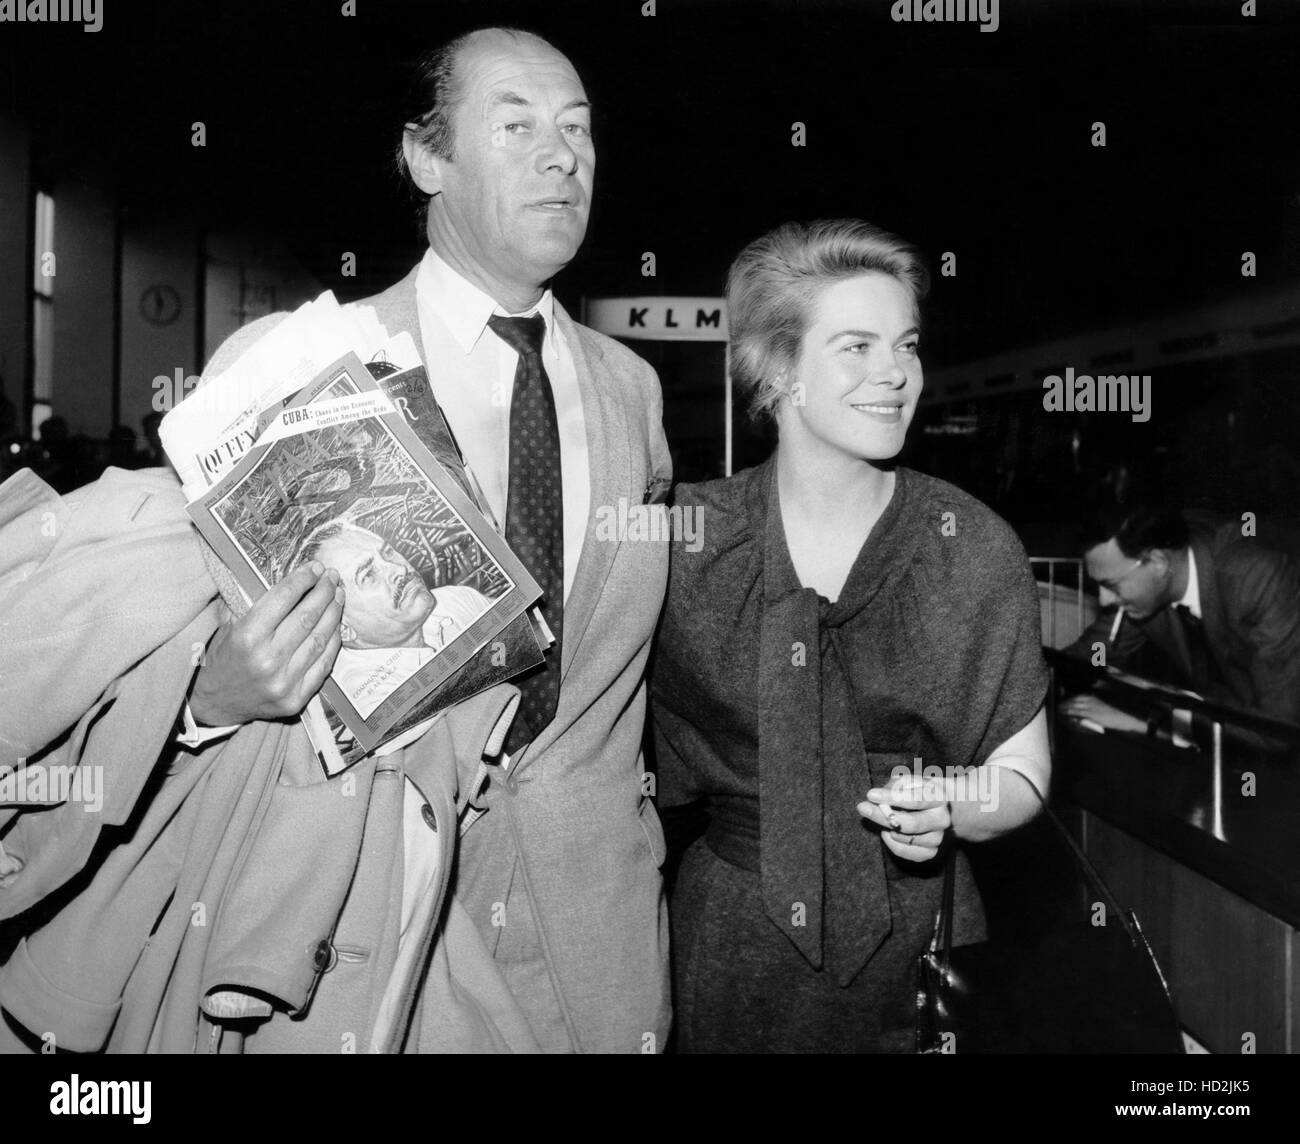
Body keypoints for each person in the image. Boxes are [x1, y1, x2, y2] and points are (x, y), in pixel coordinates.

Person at [190, 26, 673, 1053]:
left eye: (579, 130)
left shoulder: (634, 392)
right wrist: (210, 698)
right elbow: (175, 652)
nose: (562, 155)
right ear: (426, 157)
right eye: (516, 126)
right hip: (369, 923)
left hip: (595, 938)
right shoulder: (302, 366)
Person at [650, 219, 1051, 1052]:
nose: (895, 374)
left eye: (905, 346)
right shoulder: (687, 541)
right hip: (732, 947)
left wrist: (955, 802)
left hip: (925, 943)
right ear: (779, 368)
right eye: (857, 347)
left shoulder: (971, 548)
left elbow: (1025, 775)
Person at [1060, 484, 1300, 746]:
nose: (1105, 600)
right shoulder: (1149, 587)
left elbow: (1278, 731)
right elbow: (1081, 659)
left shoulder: (1257, 579)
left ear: (1159, 562)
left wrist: (1149, 725)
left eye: (1111, 585)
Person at [301, 520, 491, 718]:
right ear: (342, 629)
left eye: (388, 552)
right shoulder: (363, 698)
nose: (399, 570)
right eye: (368, 575)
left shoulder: (453, 600)